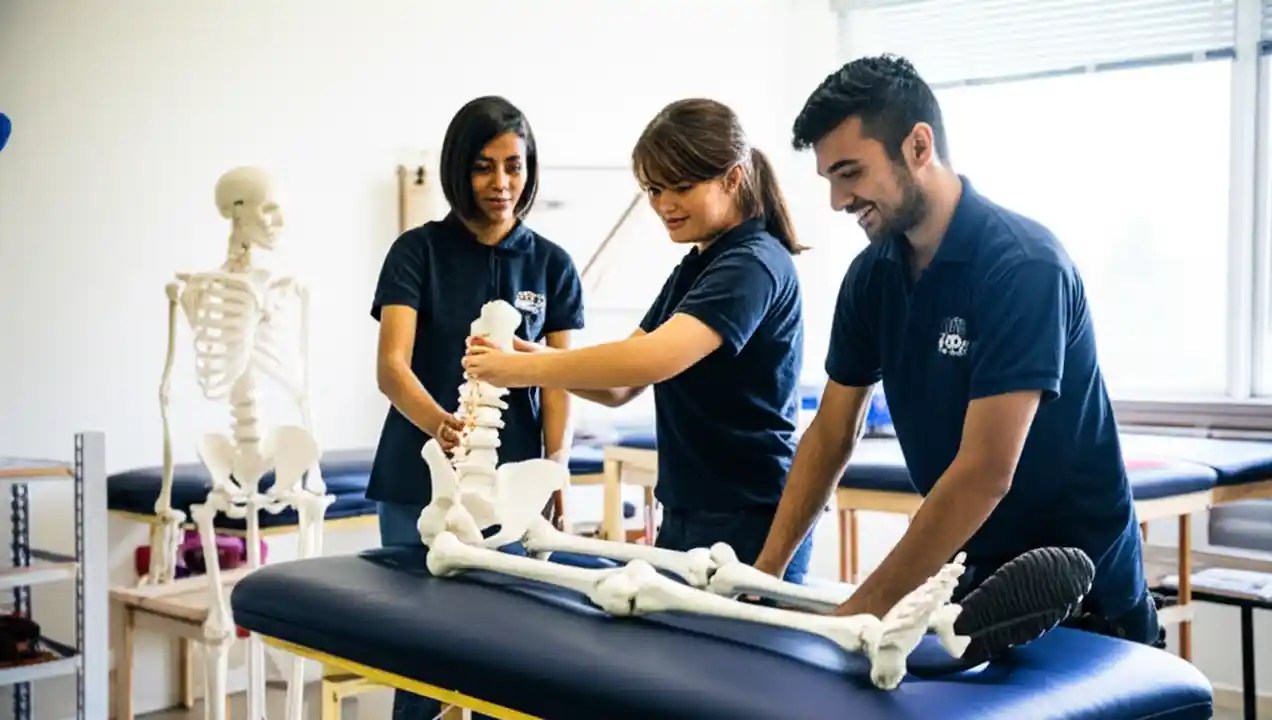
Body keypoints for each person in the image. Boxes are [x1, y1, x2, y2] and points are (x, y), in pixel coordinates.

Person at [752, 54, 1158, 659]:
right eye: (829, 179)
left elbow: (984, 473)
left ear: (919, 146)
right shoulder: (872, 277)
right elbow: (831, 434)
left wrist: (860, 611)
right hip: (975, 579)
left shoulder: (1022, 266)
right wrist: (764, 578)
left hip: (1083, 596)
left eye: (850, 172)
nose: (838, 200)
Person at [463, 98, 814, 583]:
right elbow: (618, 388)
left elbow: (651, 360)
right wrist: (530, 354)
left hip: (751, 517)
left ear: (733, 178)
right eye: (653, 189)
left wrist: (519, 369)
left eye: (681, 187)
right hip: (688, 510)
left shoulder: (752, 264)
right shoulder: (697, 268)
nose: (664, 204)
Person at [369, 95, 584, 718]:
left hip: (510, 485)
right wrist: (440, 424)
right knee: (418, 650)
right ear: (459, 170)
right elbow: (391, 368)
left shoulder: (552, 265)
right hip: (418, 478)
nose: (501, 183)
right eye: (484, 167)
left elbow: (561, 378)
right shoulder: (417, 252)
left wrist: (556, 464)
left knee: (505, 647)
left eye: (514, 166)